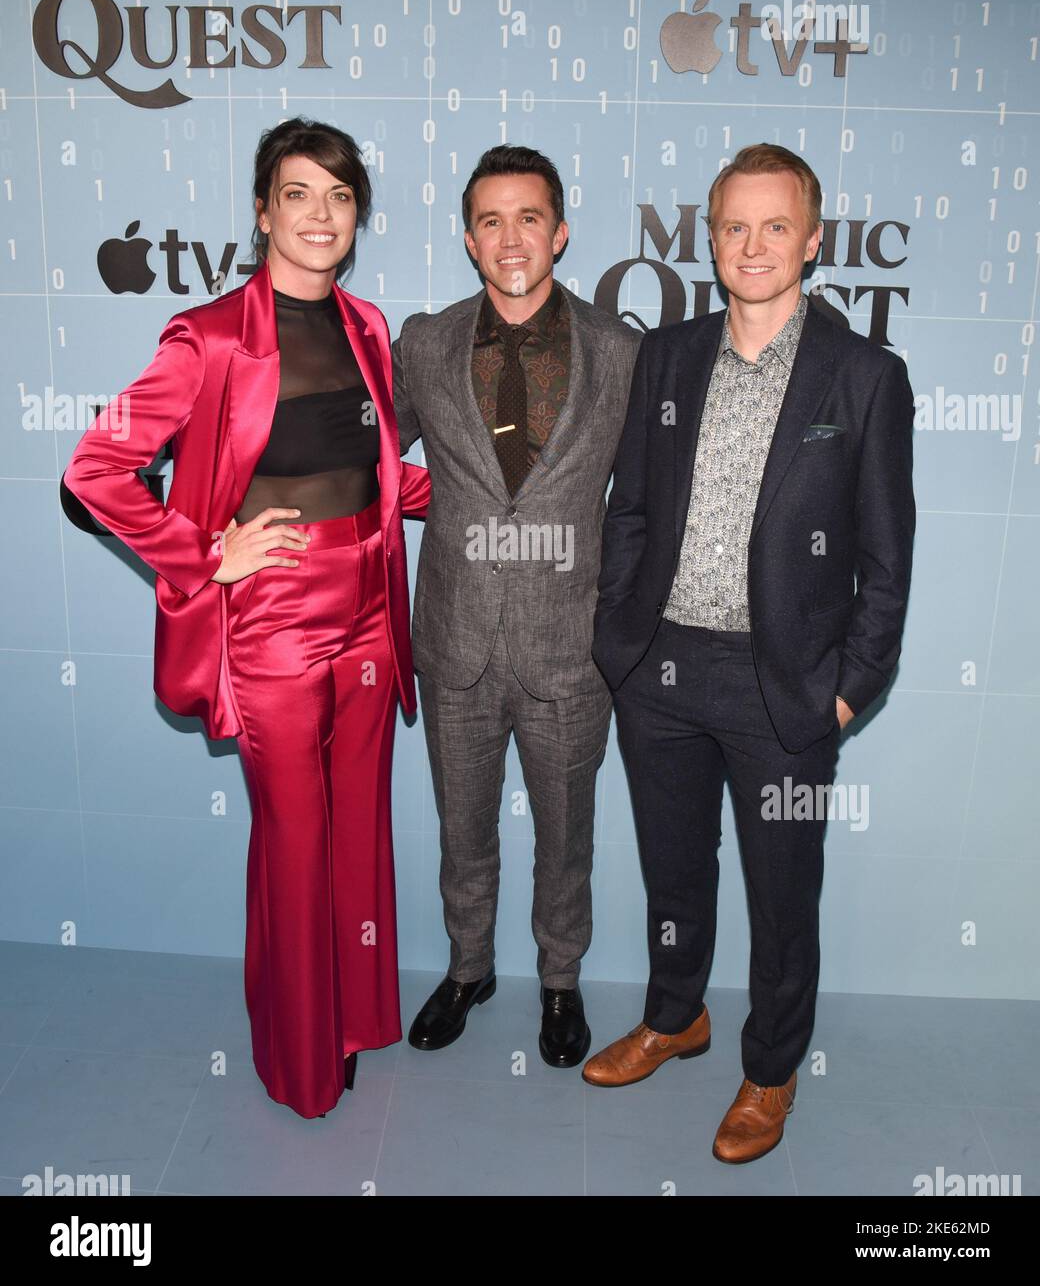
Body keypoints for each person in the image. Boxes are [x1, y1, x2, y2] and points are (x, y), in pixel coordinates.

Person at [63, 117, 430, 1120]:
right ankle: (300, 1056)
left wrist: (491, 491)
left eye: (340, 197)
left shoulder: (364, 326)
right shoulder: (209, 334)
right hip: (271, 618)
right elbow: (94, 470)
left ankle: (354, 1018)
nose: (320, 215)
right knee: (296, 835)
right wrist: (205, 553)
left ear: (356, 219)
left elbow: (375, 474)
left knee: (359, 829)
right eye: (299, 194)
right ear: (263, 210)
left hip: (367, 607)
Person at [585, 143, 915, 1162]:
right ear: (709, 236)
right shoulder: (668, 355)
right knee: (672, 871)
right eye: (734, 225)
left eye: (776, 226)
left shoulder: (864, 376)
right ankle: (674, 1015)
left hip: (785, 693)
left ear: (813, 240)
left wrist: (844, 696)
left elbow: (885, 558)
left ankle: (769, 1071)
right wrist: (620, 640)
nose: (753, 245)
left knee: (782, 893)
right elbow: (630, 506)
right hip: (659, 675)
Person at [392, 145, 642, 1066]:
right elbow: (368, 453)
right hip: (453, 639)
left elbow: (651, 500)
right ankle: (468, 970)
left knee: (565, 835)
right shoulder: (424, 343)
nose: (511, 237)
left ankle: (561, 982)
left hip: (569, 652)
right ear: (468, 238)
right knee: (464, 828)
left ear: (561, 231)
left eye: (529, 217)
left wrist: (621, 624)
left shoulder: (620, 352)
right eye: (491, 220)